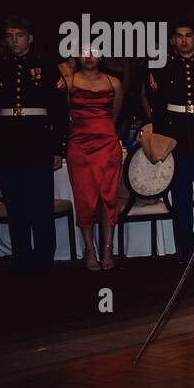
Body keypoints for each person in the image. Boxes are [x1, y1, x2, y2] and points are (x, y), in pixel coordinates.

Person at [0, 16, 69, 272]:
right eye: (9, 36)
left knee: (40, 205)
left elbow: (58, 112)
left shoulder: (47, 66)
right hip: (8, 144)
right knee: (16, 206)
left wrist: (56, 148)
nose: (14, 40)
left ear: (30, 37)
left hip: (38, 143)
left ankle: (43, 258)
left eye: (19, 35)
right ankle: (21, 257)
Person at [145, 21, 194, 261]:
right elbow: (157, 107)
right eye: (179, 36)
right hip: (176, 139)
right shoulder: (162, 67)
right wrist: (161, 141)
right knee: (179, 197)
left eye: (189, 36)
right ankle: (185, 248)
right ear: (172, 40)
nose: (184, 40)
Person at [65, 49, 123, 271]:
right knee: (84, 199)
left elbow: (115, 115)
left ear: (101, 56)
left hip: (107, 144)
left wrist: (103, 131)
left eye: (93, 52)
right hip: (79, 145)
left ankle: (108, 249)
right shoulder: (69, 82)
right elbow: (65, 114)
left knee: (108, 197)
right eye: (83, 52)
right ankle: (90, 250)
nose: (88, 56)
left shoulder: (114, 83)